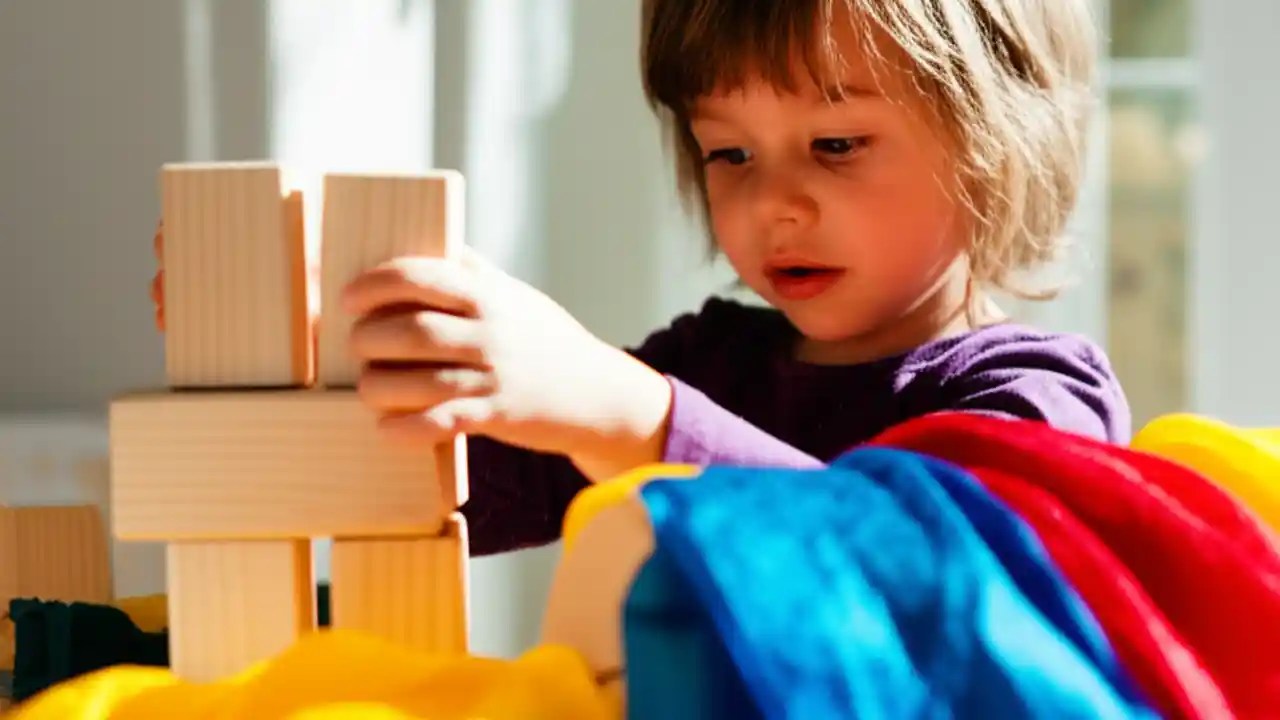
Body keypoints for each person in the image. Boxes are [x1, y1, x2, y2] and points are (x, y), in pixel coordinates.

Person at [149, 0, 1129, 556]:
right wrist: (323, 351)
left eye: (834, 143)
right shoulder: (711, 360)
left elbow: (919, 577)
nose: (768, 204)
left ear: (995, 150)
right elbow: (450, 486)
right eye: (728, 154)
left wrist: (638, 421)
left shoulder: (1034, 400)